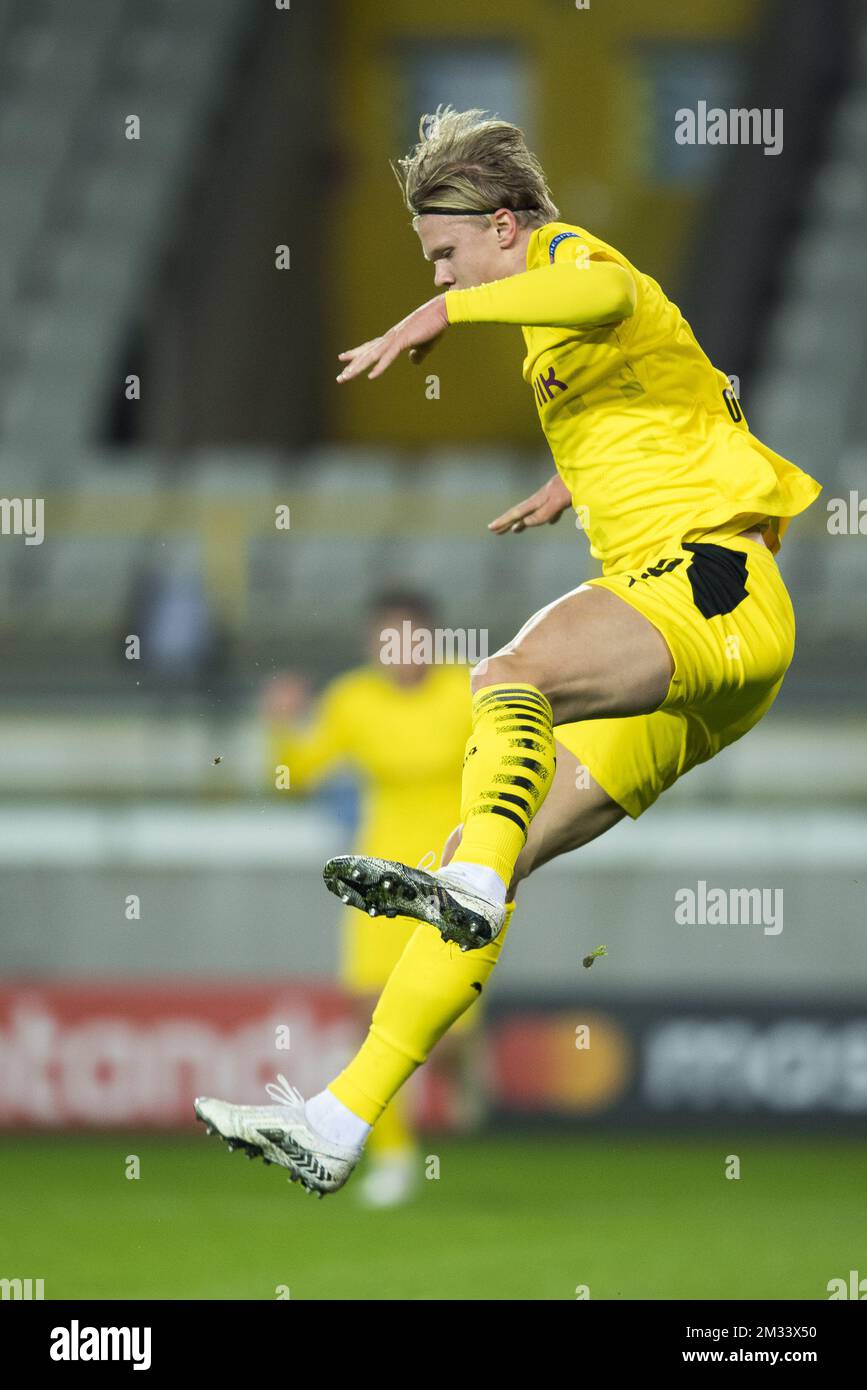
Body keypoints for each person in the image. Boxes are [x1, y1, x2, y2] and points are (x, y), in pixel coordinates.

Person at [195, 105, 821, 1195]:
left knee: (503, 676)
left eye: (446, 252)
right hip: (705, 668)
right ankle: (341, 1120)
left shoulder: (573, 258)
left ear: (500, 225)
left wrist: (450, 309)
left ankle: (471, 883)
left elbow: (612, 293)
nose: (440, 273)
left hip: (710, 585)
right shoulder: (555, 337)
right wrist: (574, 479)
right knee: (482, 856)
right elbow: (696, 391)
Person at [261, 587, 477, 1204]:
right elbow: (298, 775)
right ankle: (393, 1157)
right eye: (388, 639)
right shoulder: (353, 700)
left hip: (456, 879)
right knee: (372, 1018)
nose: (400, 652)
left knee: (447, 1033)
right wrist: (280, 723)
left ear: (432, 640)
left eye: (411, 637)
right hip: (379, 883)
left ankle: (463, 1072)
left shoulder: (469, 691)